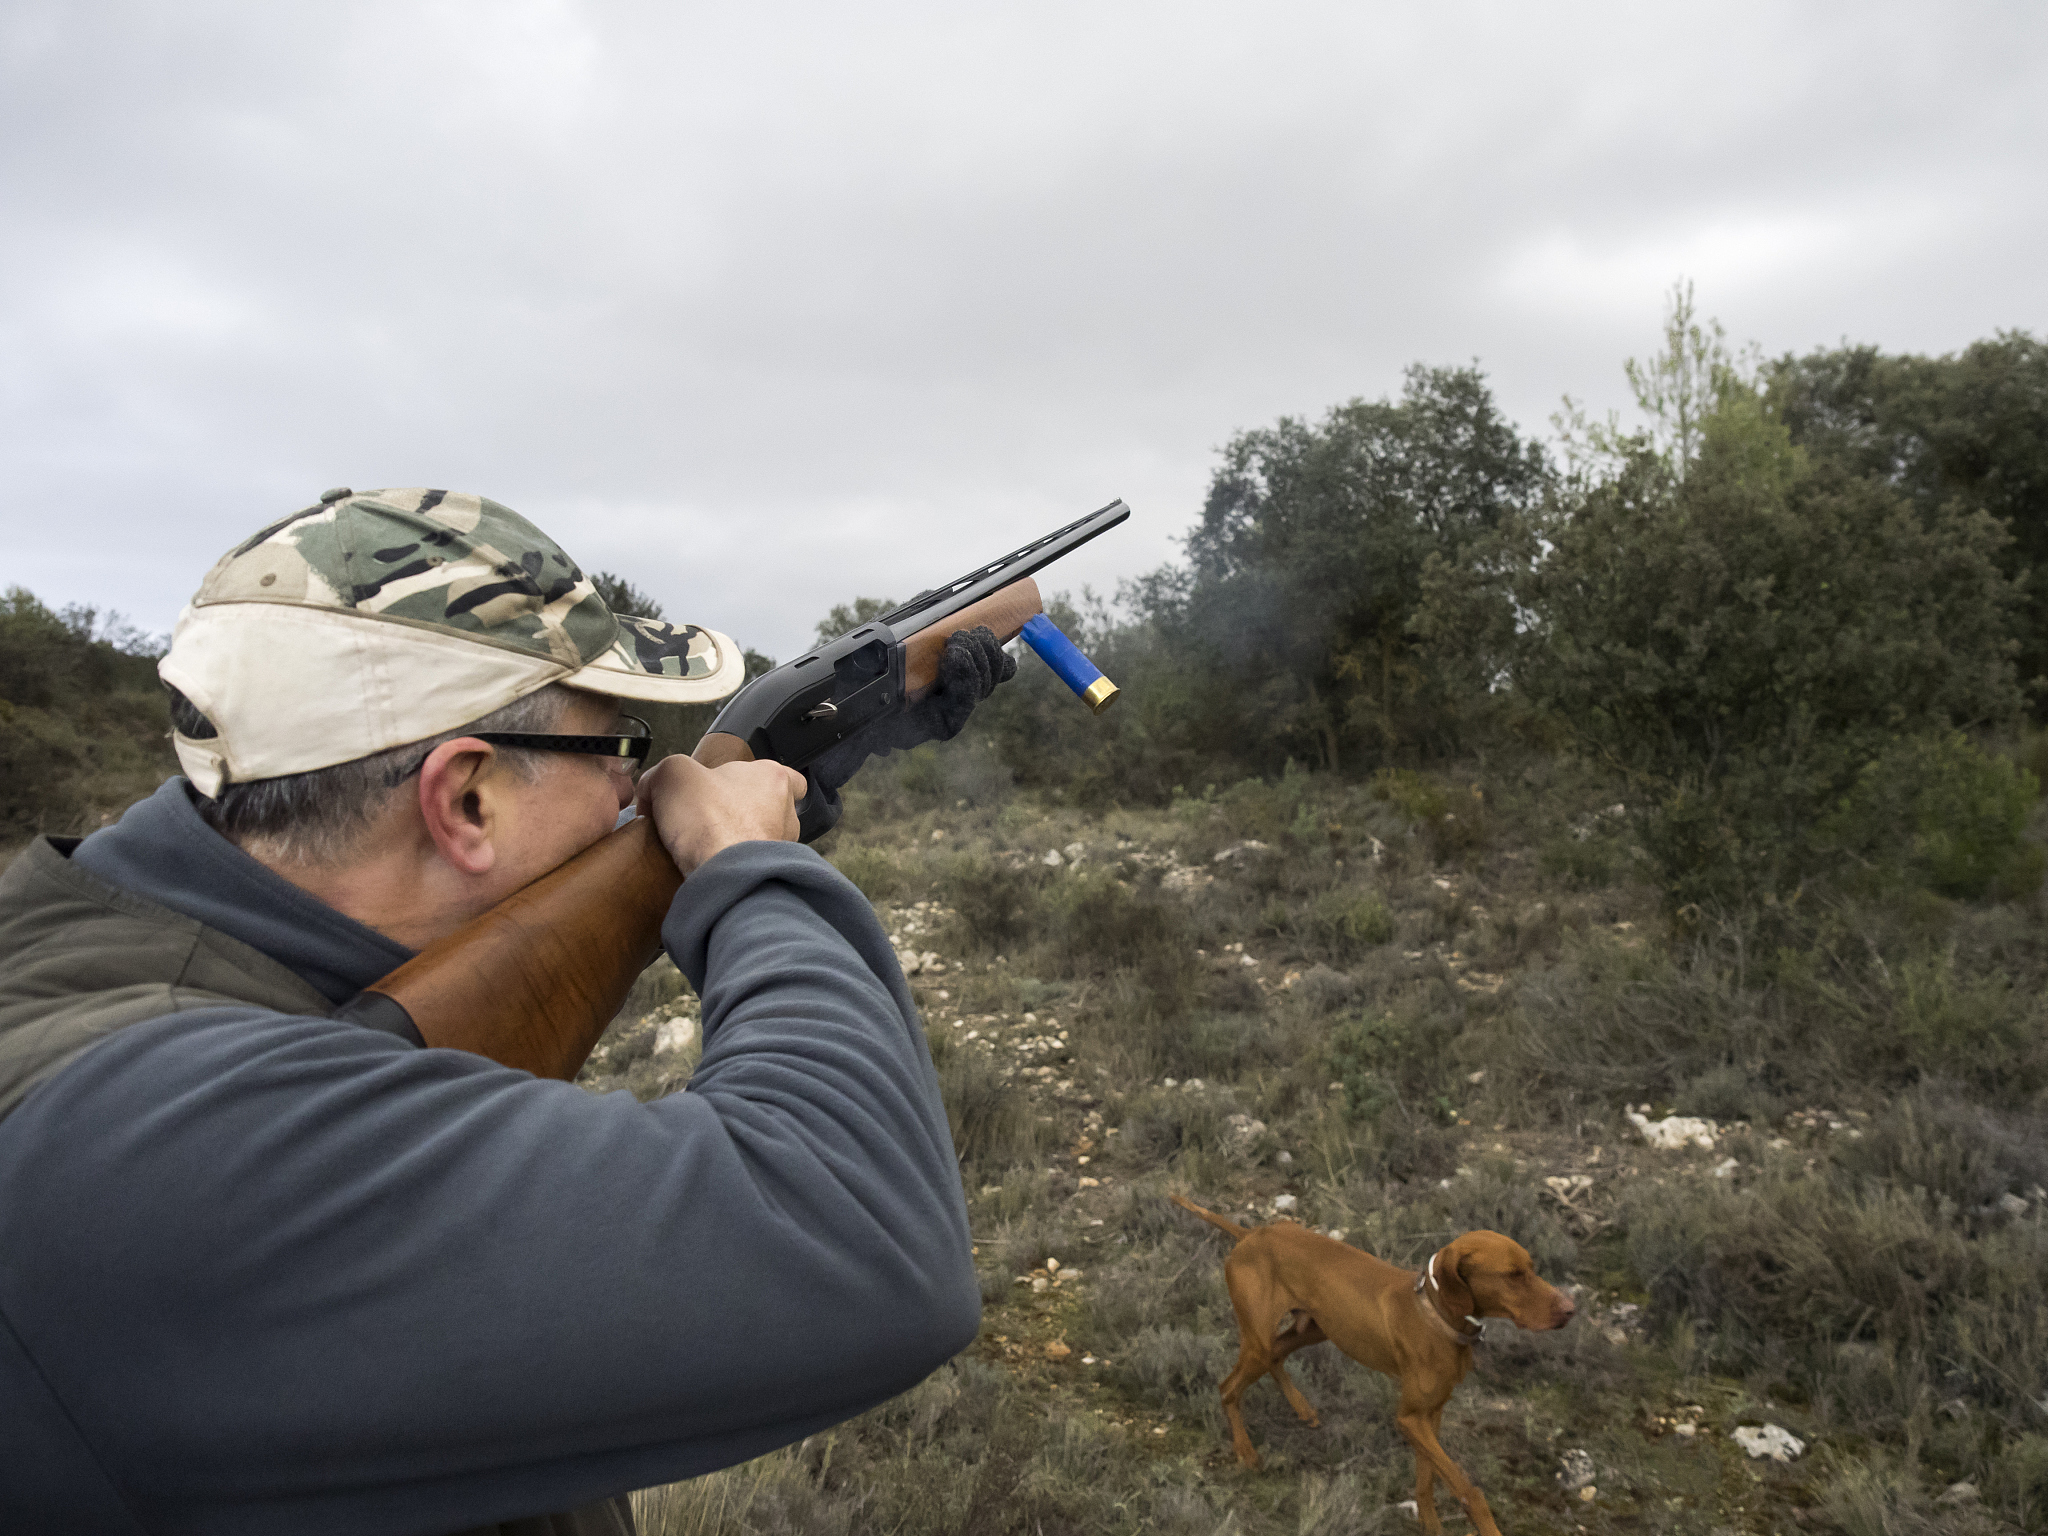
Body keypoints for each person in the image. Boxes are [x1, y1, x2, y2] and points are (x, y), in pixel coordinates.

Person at [0, 488, 1011, 1535]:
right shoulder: (148, 1147)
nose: (640, 786)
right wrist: (747, 866)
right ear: (464, 800)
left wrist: (786, 785)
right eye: (617, 744)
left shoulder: (112, 954)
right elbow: (856, 1234)